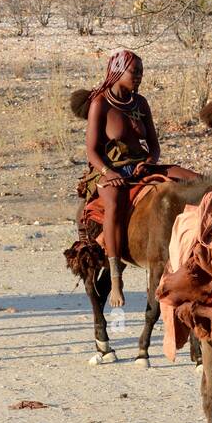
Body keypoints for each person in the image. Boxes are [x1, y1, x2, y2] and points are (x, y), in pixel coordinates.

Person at [80, 48, 196, 307]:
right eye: (135, 71)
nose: (139, 76)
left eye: (142, 71)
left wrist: (149, 162)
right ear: (118, 71)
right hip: (108, 169)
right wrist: (107, 173)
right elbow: (90, 150)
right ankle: (115, 275)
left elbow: (153, 145)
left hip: (139, 167)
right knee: (113, 202)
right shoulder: (101, 103)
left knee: (191, 179)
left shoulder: (140, 103)